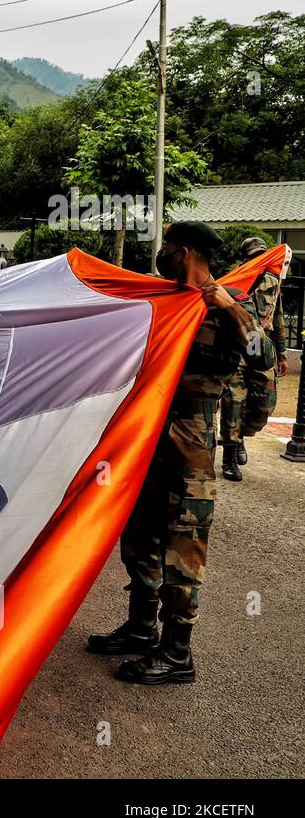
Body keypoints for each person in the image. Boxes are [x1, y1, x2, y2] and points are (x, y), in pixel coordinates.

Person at [86, 220, 274, 685]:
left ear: (187, 251)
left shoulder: (231, 306)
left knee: (184, 543)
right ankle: (141, 629)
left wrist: (231, 310)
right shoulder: (164, 299)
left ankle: (176, 653)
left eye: (168, 246)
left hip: (190, 439)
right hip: (147, 433)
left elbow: (266, 359)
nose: (163, 253)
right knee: (140, 533)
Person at [218, 237, 288, 481]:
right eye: (254, 255)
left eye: (262, 254)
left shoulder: (274, 279)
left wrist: (281, 353)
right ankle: (230, 453)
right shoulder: (234, 279)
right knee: (234, 401)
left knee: (265, 402)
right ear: (245, 258)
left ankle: (242, 436)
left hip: (262, 345)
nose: (258, 259)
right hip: (237, 346)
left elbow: (277, 316)